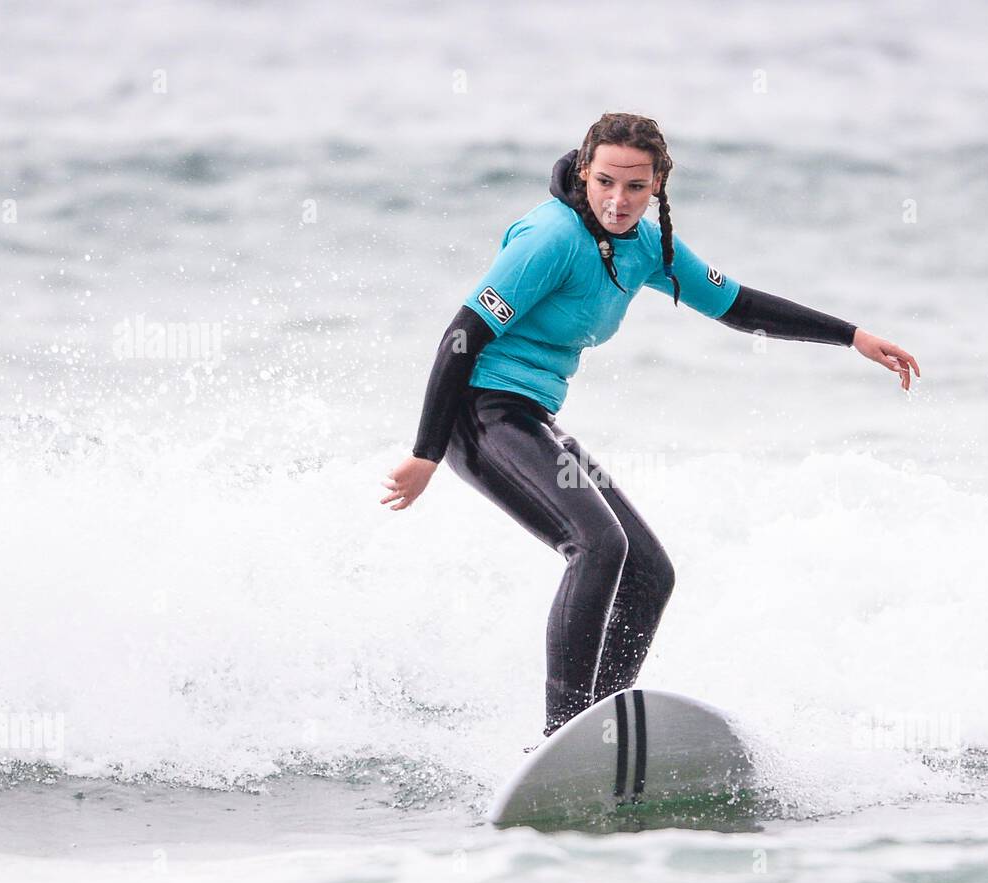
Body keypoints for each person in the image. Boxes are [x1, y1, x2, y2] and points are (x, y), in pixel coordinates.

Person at [381, 112, 919, 743]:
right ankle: (562, 735)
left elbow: (738, 306)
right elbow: (462, 335)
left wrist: (851, 335)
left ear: (658, 184)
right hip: (477, 416)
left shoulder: (647, 244)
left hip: (530, 418)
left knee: (648, 572)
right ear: (584, 172)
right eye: (606, 182)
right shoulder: (551, 238)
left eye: (636, 187)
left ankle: (602, 732)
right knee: (598, 546)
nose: (618, 200)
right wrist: (426, 452)